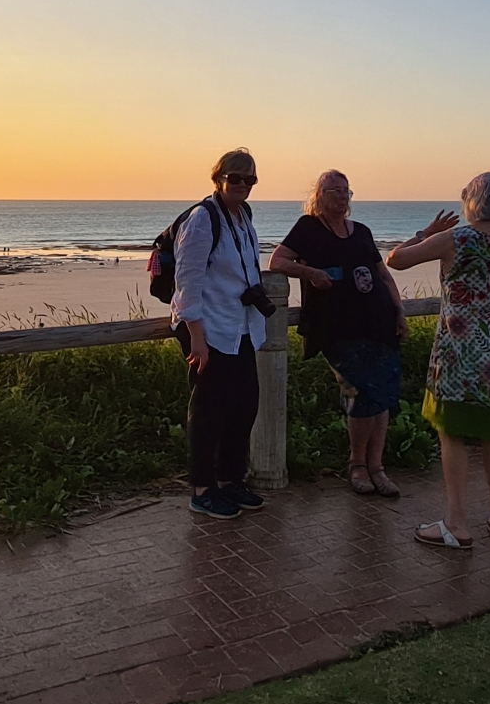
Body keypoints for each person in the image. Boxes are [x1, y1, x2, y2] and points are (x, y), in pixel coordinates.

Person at [387, 172, 490, 549]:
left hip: (456, 357)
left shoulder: (455, 239)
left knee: (452, 436)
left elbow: (396, 260)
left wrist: (425, 233)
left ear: (471, 201)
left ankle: (457, 523)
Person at [269, 170, 408, 497]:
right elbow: (278, 261)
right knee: (360, 391)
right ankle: (357, 464)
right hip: (336, 327)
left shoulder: (361, 230)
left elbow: (383, 276)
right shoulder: (308, 227)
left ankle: (378, 467)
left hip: (379, 323)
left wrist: (399, 311)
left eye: (345, 191)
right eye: (333, 190)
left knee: (383, 393)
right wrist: (310, 272)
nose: (341, 196)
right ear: (318, 195)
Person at [170, 148, 270, 520]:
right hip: (209, 330)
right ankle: (202, 488)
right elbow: (187, 282)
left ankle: (230, 481)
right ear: (218, 178)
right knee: (209, 411)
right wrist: (197, 337)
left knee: (243, 407)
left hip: (240, 327)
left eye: (250, 179)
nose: (243, 185)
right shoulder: (202, 219)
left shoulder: (243, 216)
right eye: (235, 178)